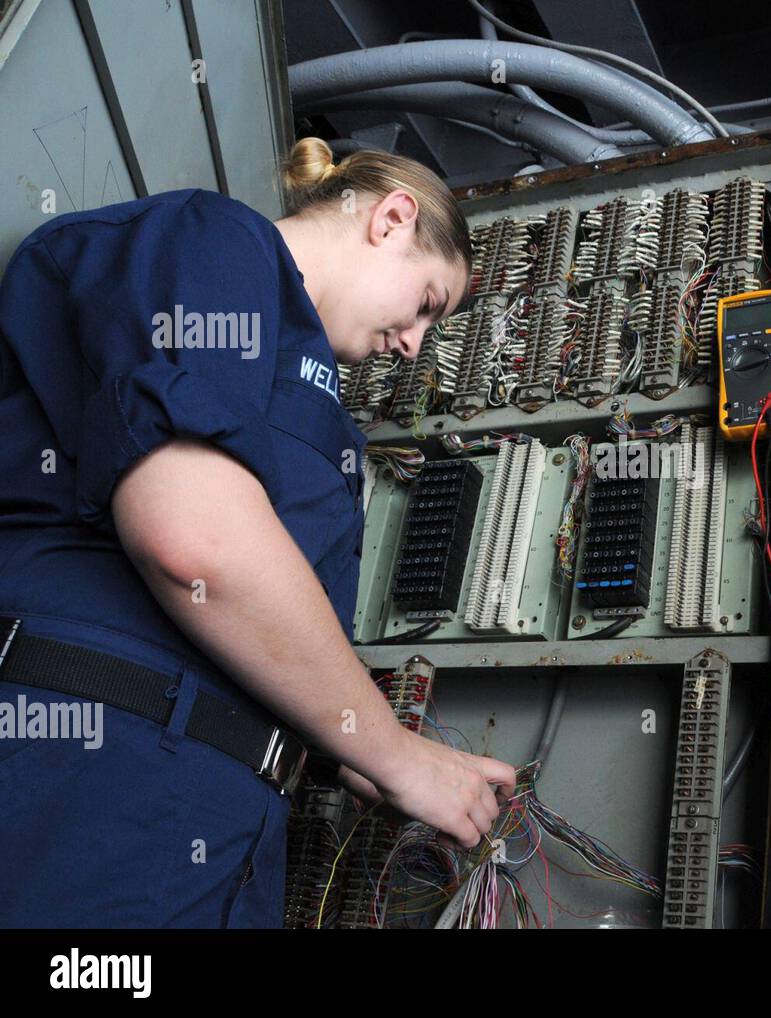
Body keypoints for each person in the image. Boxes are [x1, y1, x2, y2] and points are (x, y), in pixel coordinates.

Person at [0, 137, 516, 928]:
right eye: (427, 304)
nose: (415, 345)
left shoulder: (330, 418)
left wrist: (344, 741)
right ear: (392, 218)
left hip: (224, 836)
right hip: (98, 772)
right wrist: (393, 752)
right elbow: (190, 535)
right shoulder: (220, 241)